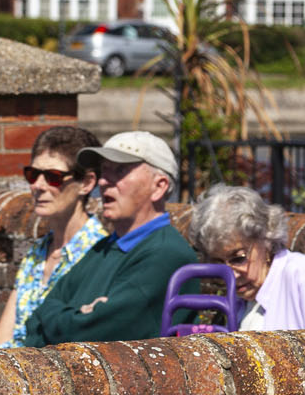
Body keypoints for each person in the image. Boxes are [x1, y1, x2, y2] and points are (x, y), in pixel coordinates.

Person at [21, 130, 199, 347]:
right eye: (104, 170)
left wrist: (70, 317)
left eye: (120, 171)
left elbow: (93, 335)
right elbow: (38, 316)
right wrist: (77, 315)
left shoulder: (166, 254)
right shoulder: (105, 247)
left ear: (159, 186)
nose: (104, 181)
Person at [0, 125, 108, 350]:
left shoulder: (99, 253)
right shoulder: (38, 251)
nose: (37, 185)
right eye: (32, 174)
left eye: (53, 177)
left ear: (87, 183)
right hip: (5, 369)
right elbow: (0, 339)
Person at [190, 185, 305, 332]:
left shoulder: (304, 275)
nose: (231, 275)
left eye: (238, 258)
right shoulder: (242, 298)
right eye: (218, 262)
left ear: (266, 240)